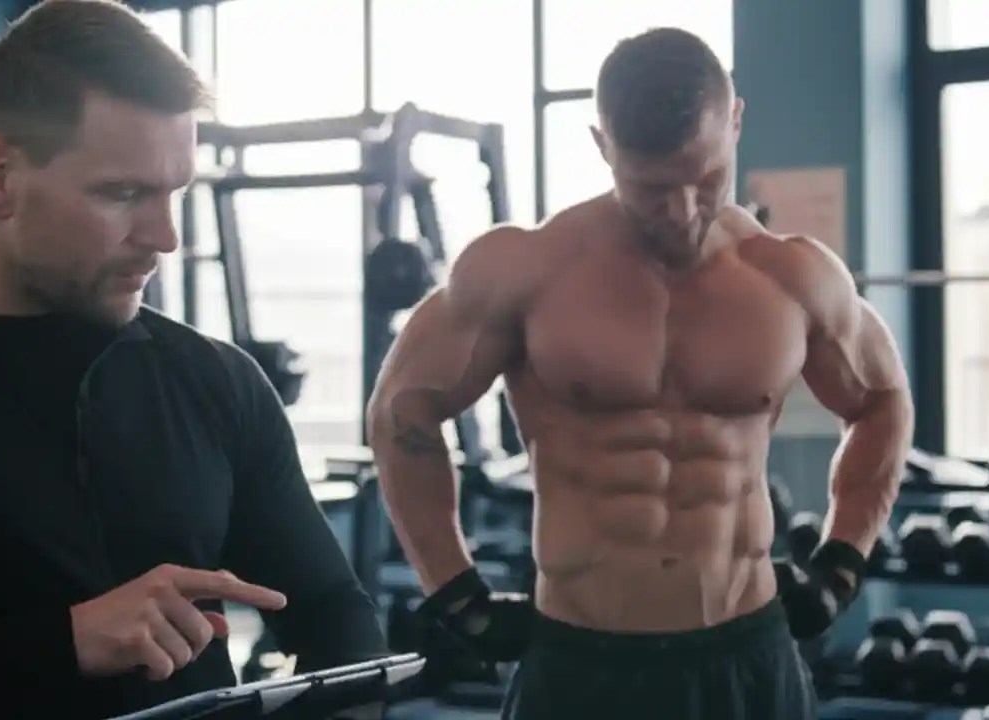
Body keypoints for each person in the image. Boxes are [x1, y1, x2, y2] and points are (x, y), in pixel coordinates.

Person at [0, 1, 387, 717]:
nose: (164, 236)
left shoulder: (217, 382)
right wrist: (63, 643)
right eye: (123, 194)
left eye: (173, 193)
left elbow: (335, 615)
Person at [366, 27, 914, 719]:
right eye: (651, 188)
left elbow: (883, 399)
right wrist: (455, 593)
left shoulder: (792, 275)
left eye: (707, 179)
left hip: (744, 653)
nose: (683, 211)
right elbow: (401, 411)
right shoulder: (526, 269)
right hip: (581, 663)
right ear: (602, 147)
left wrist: (842, 562)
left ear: (736, 120)